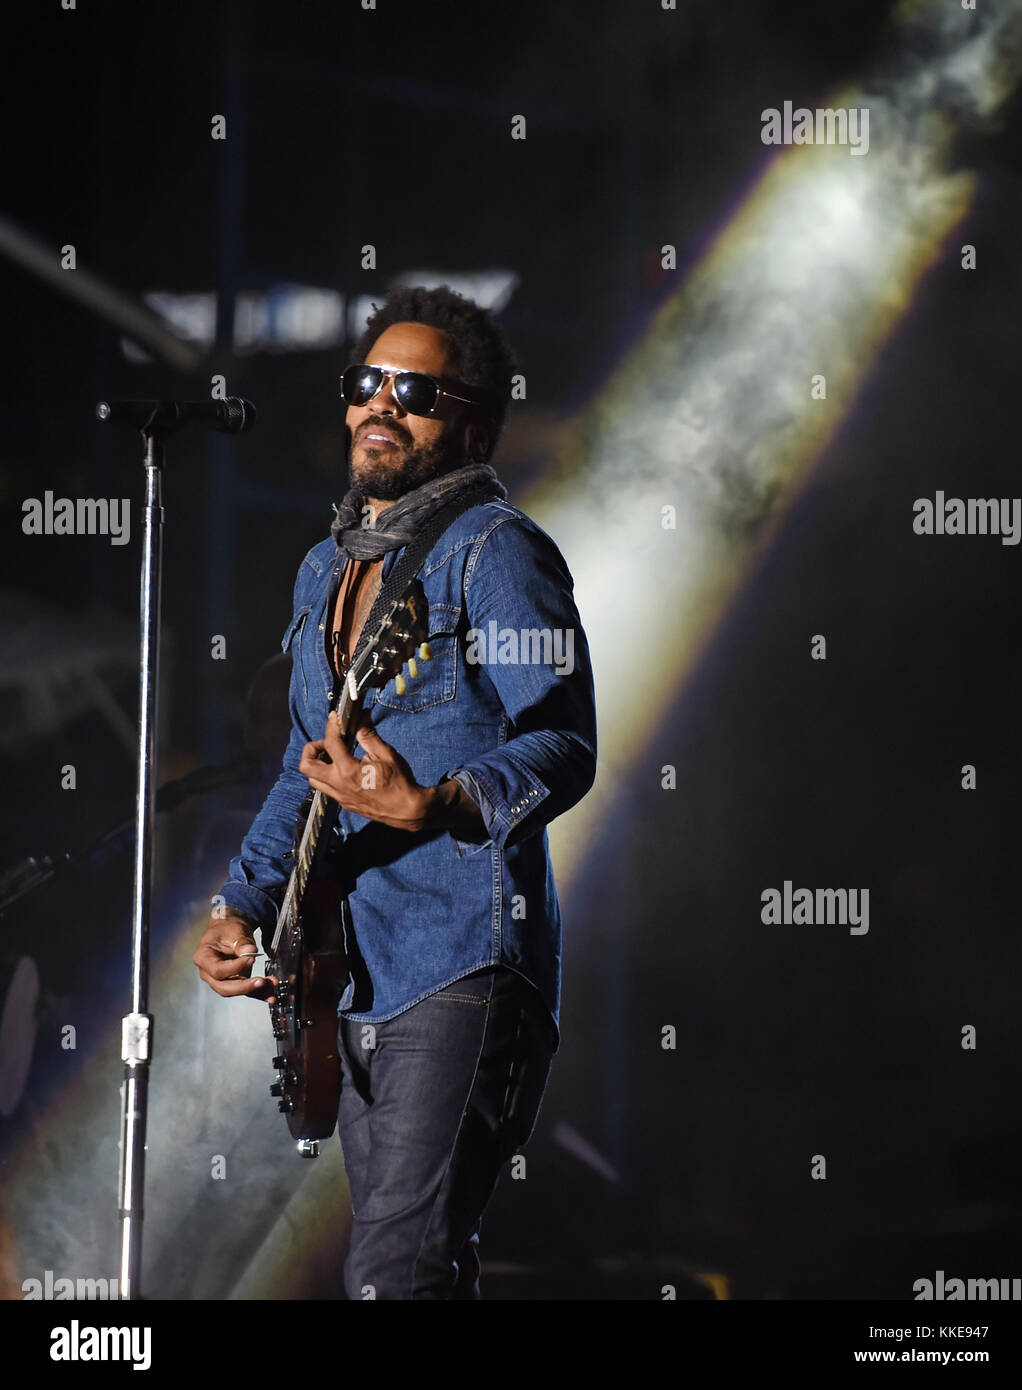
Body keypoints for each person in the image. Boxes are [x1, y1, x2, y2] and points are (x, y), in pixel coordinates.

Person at [193, 284, 596, 1299]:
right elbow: (308, 763)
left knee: (397, 1266)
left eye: (415, 390)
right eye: (365, 382)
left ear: (473, 422)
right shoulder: (324, 568)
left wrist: (443, 802)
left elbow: (565, 739)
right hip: (351, 970)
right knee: (393, 1269)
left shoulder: (495, 551)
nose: (382, 402)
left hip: (462, 959)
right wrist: (242, 904)